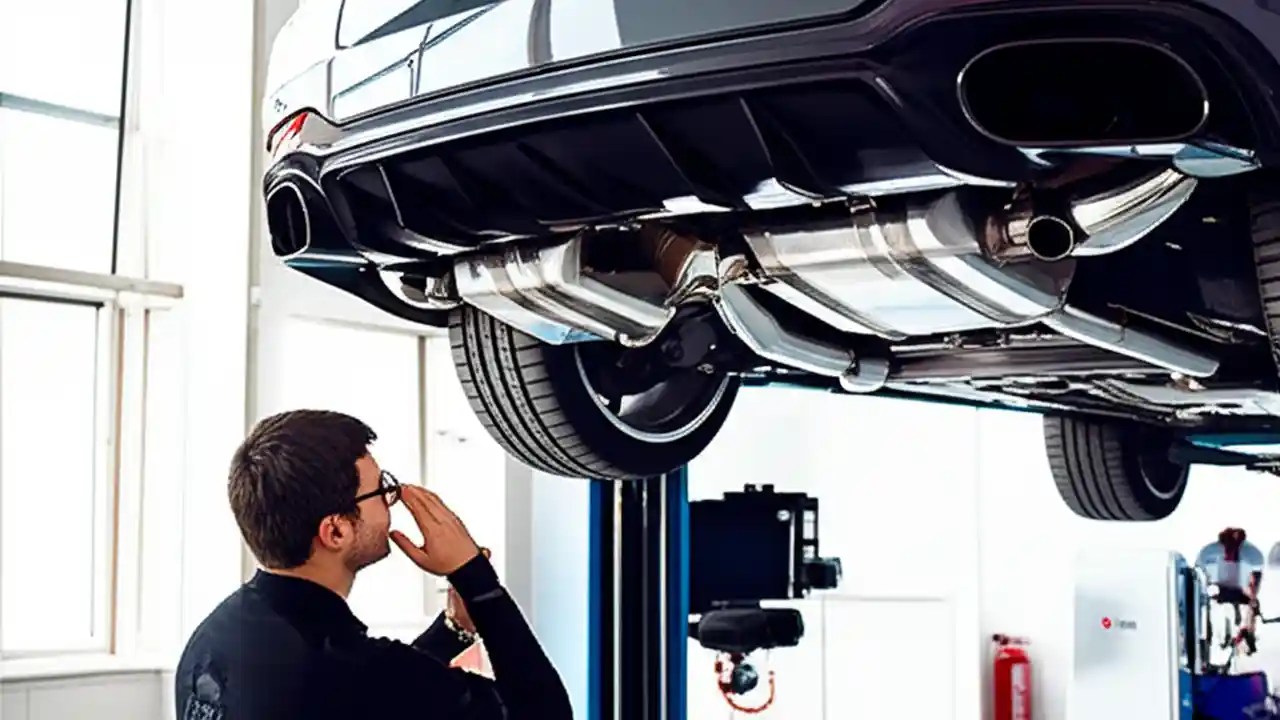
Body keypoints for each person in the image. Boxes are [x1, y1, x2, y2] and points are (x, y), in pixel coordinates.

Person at [174, 409, 573, 720]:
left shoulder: (215, 638)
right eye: (381, 491)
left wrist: (455, 628)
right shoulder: (345, 668)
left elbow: (379, 698)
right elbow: (543, 713)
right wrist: (476, 579)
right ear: (335, 532)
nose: (392, 502)